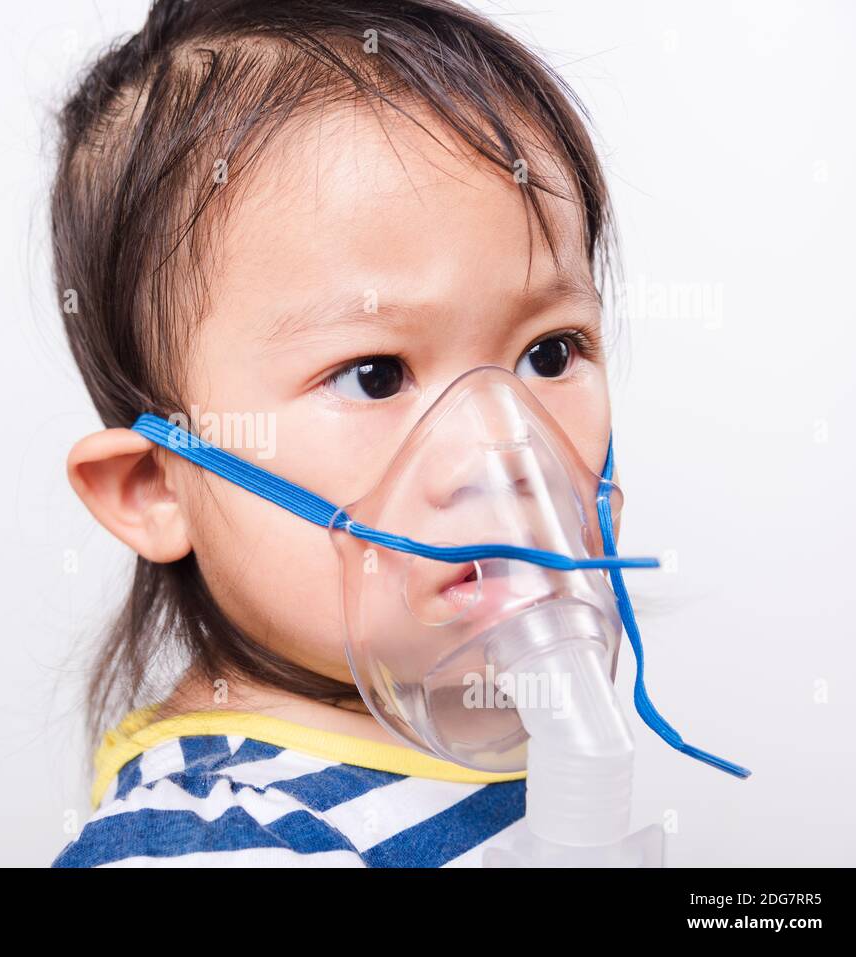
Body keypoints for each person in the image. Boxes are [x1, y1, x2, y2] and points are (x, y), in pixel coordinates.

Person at [49, 0, 620, 867]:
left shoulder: (516, 738)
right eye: (376, 374)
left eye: (549, 353)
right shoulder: (217, 849)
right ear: (157, 485)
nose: (497, 454)